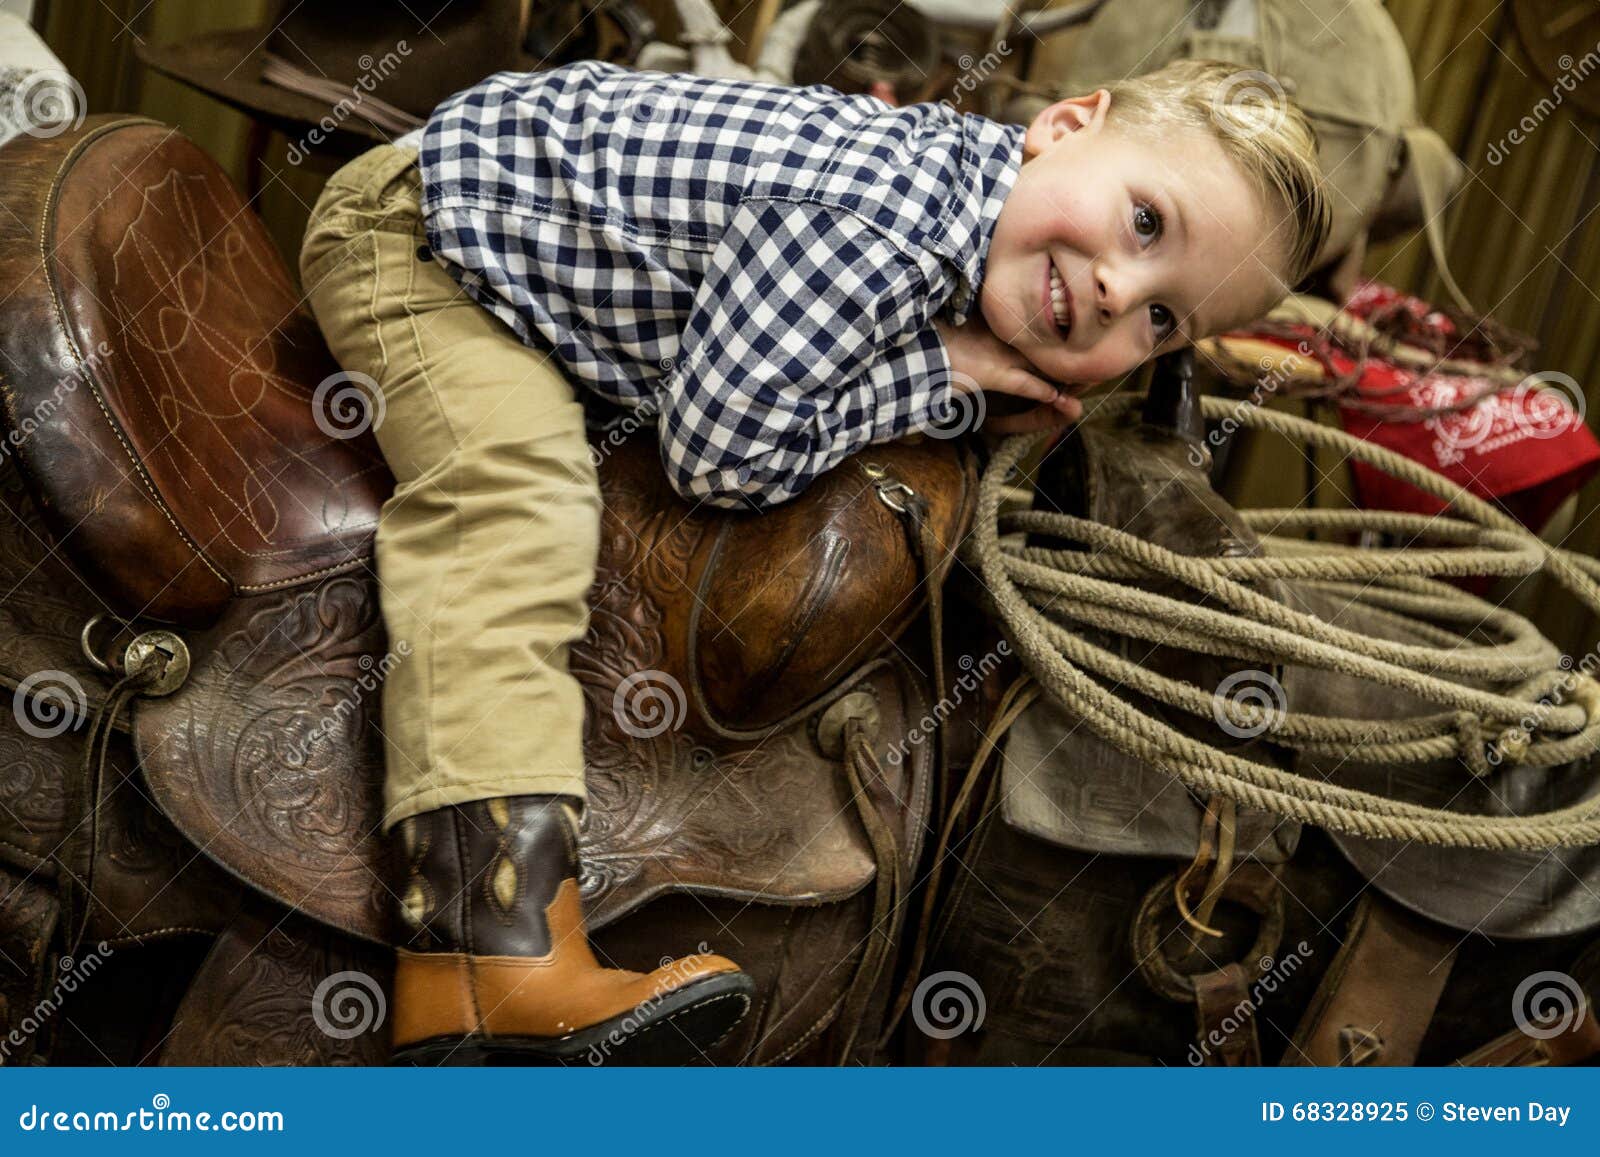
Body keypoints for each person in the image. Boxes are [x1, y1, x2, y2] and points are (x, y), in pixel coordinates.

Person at [299, 56, 1328, 1065]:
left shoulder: (970, 213)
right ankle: (484, 949)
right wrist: (936, 373)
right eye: (1144, 223)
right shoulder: (870, 221)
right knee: (511, 508)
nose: (1117, 290)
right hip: (429, 236)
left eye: (1162, 318)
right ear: (1063, 126)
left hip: (540, 244)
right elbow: (721, 456)